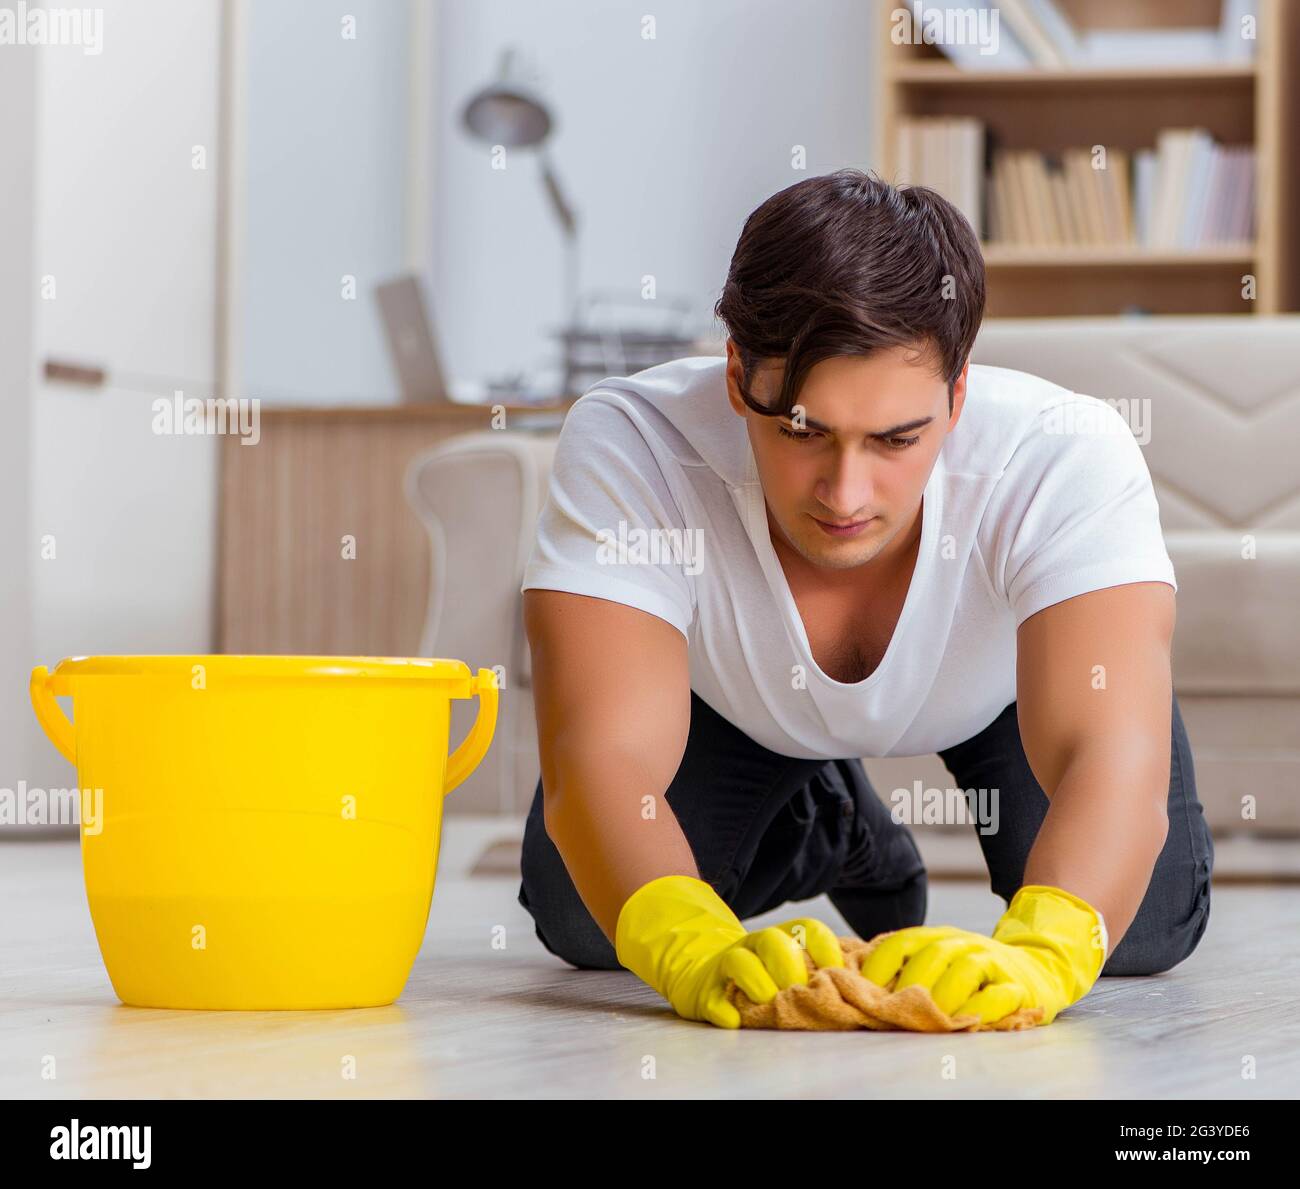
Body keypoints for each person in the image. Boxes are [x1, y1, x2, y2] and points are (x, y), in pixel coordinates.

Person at [517, 168, 1213, 1029]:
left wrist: (1041, 955)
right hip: (739, 704)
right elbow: (602, 755)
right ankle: (832, 819)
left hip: (1010, 694)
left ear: (958, 395)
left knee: (1137, 931)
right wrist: (689, 942)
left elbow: (1109, 748)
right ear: (736, 376)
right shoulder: (635, 443)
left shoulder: (1062, 453)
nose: (845, 495)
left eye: (896, 439)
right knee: (584, 917)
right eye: (802, 431)